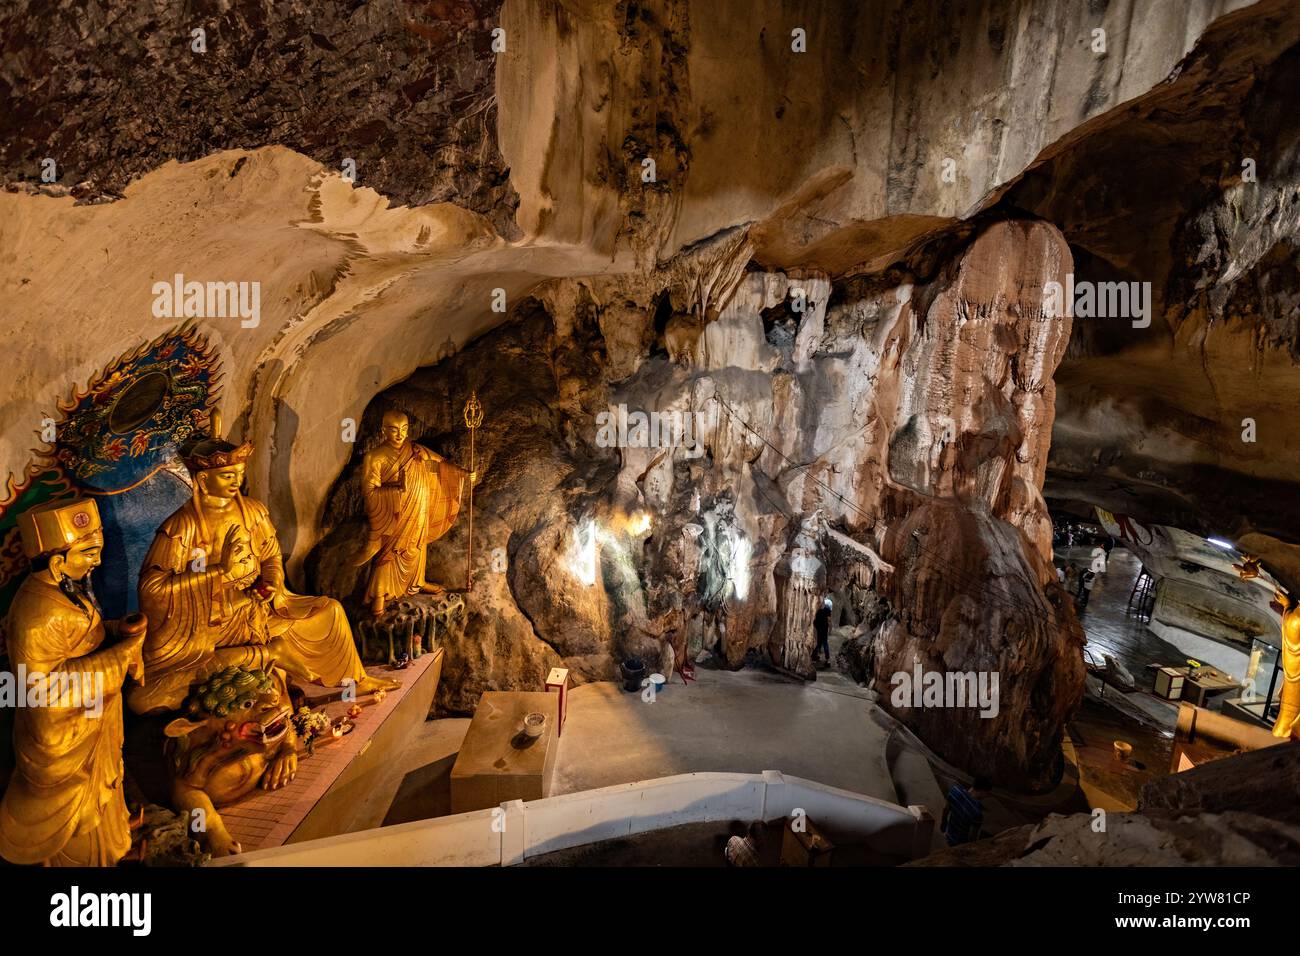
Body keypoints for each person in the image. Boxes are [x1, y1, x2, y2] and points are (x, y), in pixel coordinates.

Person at [0, 499, 144, 866]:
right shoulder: (38, 614)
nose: (96, 561)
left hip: (93, 720)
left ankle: (113, 845)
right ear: (57, 562)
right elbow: (41, 689)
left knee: (107, 788)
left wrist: (116, 630)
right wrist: (121, 655)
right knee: (79, 818)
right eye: (89, 553)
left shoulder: (66, 588)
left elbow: (84, 639)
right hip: (65, 734)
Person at [941, 776, 991, 846]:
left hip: (948, 834)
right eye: (987, 794)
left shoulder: (955, 791)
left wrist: (943, 824)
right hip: (959, 844)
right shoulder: (977, 813)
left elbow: (946, 810)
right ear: (982, 791)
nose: (986, 796)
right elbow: (972, 837)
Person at [813, 598, 832, 664]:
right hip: (823, 629)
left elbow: (814, 620)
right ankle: (827, 659)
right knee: (824, 643)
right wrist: (830, 629)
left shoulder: (817, 610)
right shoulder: (827, 610)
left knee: (818, 643)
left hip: (819, 629)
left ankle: (815, 657)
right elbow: (829, 620)